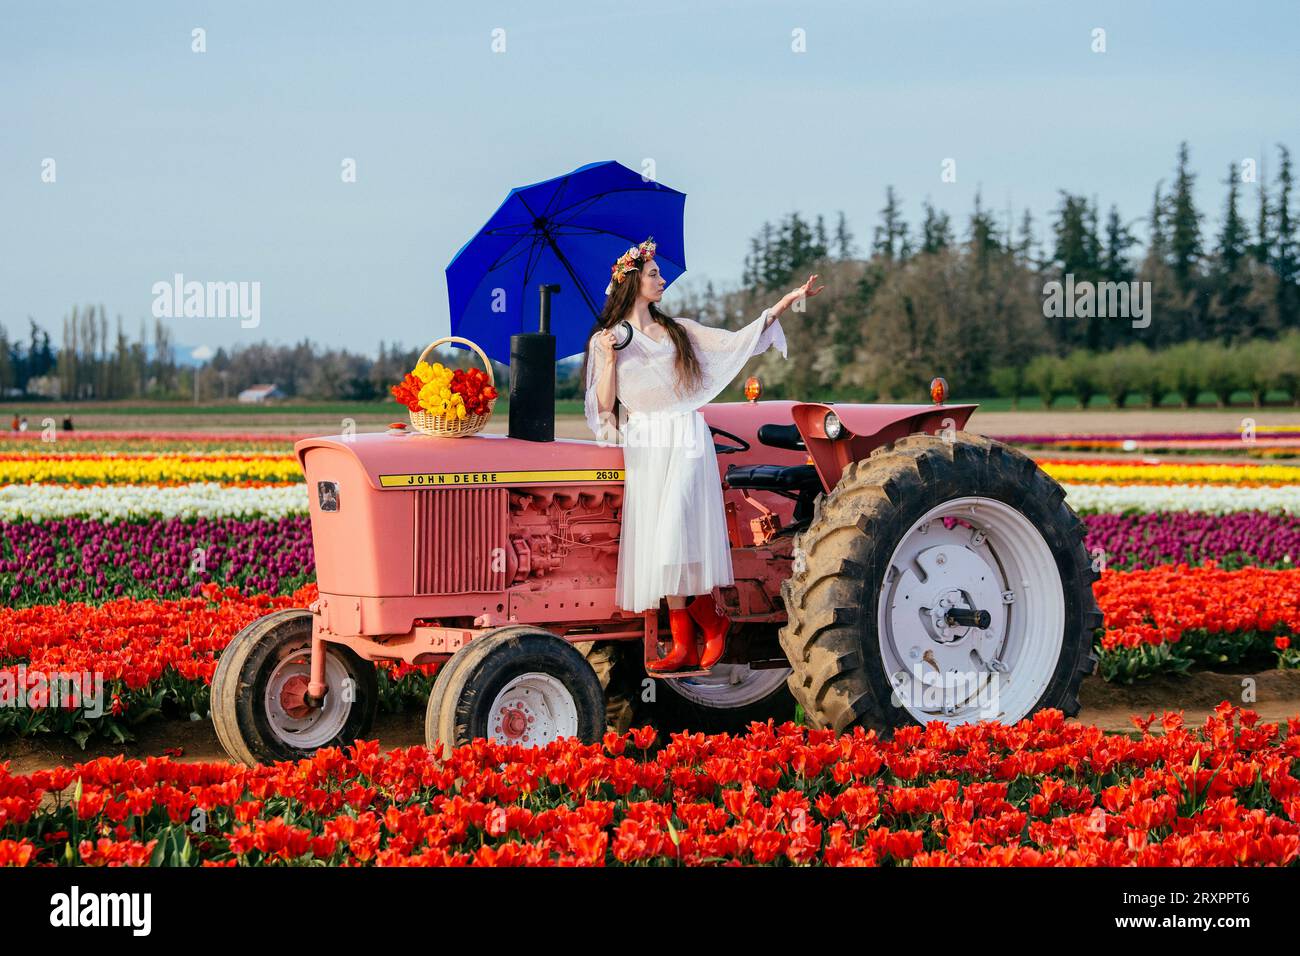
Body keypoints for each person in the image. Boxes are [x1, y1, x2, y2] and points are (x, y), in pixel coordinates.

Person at [581, 236, 823, 672]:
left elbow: (734, 343)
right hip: (647, 440)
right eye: (654, 274)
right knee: (660, 545)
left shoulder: (679, 330)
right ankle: (683, 644)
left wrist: (786, 302)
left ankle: (710, 620)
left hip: (684, 433)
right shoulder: (610, 340)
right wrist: (608, 359)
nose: (662, 279)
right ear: (632, 281)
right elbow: (603, 406)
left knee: (677, 528)